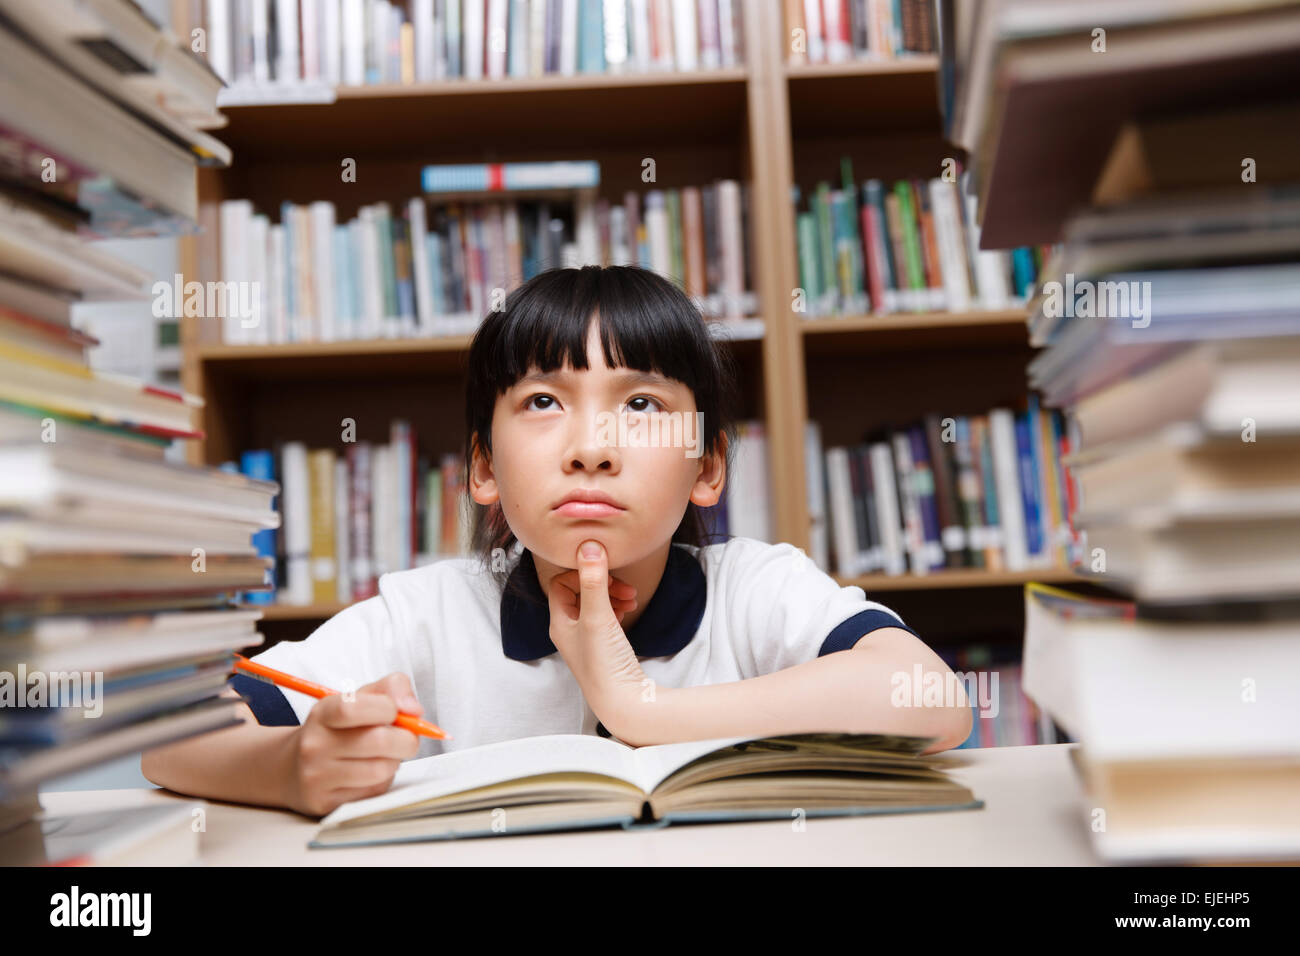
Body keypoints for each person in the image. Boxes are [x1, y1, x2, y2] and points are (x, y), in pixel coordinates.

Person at [142, 265, 971, 817]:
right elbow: (169, 739)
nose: (591, 447)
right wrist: (289, 769)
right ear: (484, 469)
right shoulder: (424, 616)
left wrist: (637, 706)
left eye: (640, 405)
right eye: (543, 402)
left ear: (706, 466)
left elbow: (933, 702)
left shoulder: (756, 588)